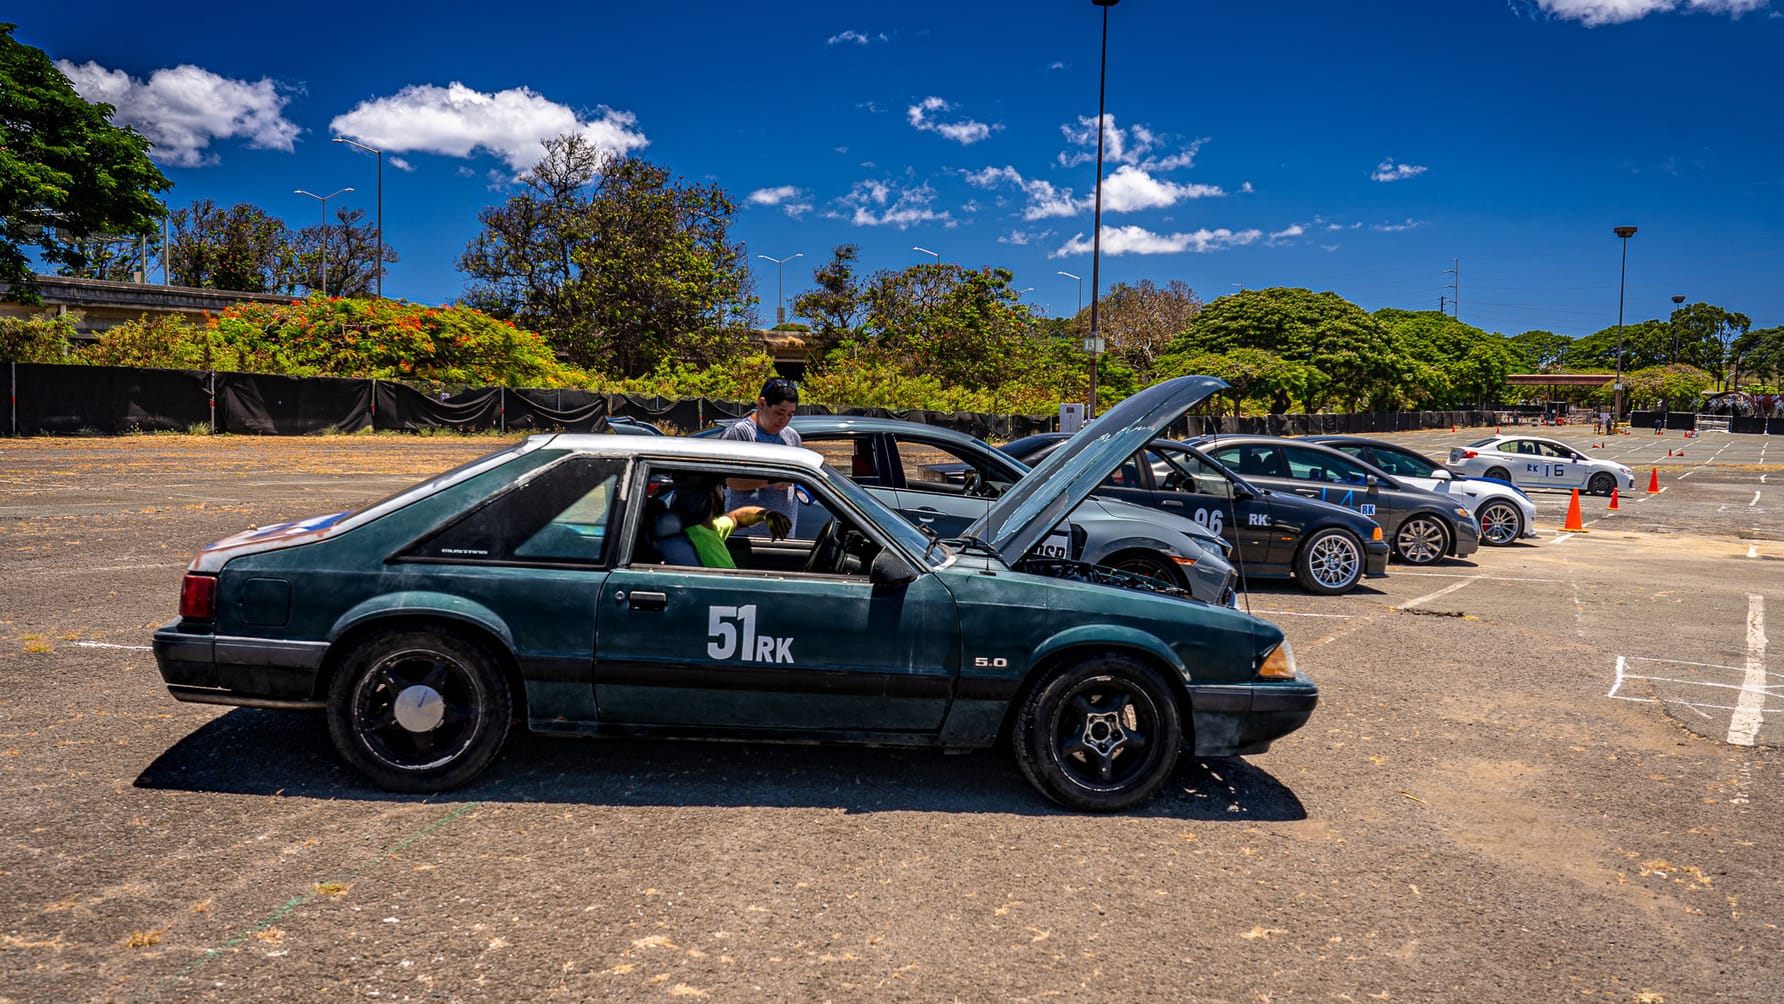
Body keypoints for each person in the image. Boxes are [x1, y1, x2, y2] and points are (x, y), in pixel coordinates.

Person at [720, 377, 804, 537]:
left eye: (790, 414)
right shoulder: (741, 433)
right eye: (780, 413)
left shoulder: (792, 437)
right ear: (762, 404)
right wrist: (771, 481)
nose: (784, 420)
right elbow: (728, 480)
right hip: (744, 536)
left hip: (783, 538)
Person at [664, 477, 789, 569]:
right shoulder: (704, 542)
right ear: (711, 497)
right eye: (722, 487)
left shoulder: (707, 528)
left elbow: (736, 518)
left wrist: (766, 515)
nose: (724, 493)